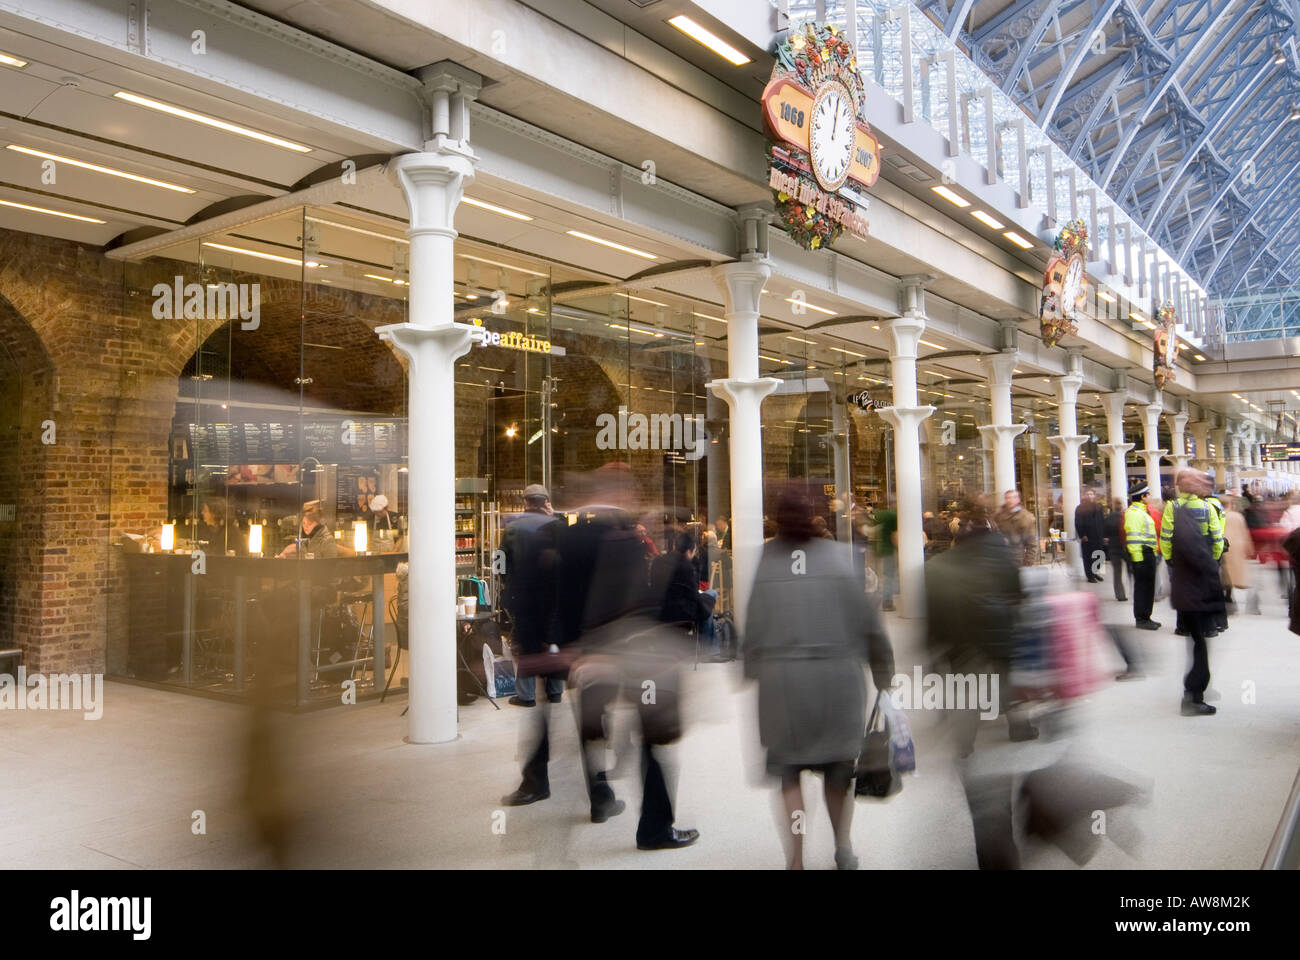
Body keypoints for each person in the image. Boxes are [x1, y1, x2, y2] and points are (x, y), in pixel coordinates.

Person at [744, 486, 894, 870]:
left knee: (790, 778)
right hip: (836, 682)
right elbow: (866, 619)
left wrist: (750, 670)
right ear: (813, 517)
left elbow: (756, 625)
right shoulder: (837, 557)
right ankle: (842, 847)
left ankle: (795, 860)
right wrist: (883, 670)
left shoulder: (766, 560)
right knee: (837, 775)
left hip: (783, 687)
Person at [1160, 469, 1225, 717]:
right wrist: (1214, 563)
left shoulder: (1172, 508)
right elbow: (1217, 538)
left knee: (1196, 640)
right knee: (1200, 642)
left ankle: (1196, 689)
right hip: (1198, 580)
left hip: (1184, 577)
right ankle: (1193, 695)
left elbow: (1165, 539)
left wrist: (1171, 563)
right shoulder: (1208, 508)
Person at [499, 484, 563, 711]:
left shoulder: (512, 527)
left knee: (526, 643)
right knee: (553, 640)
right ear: (545, 502)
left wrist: (509, 584)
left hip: (523, 596)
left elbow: (500, 561)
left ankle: (526, 695)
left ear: (525, 502)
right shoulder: (558, 526)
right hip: (553, 596)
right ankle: (555, 691)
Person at [1123, 487, 1160, 633]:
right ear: (1142, 497)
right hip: (1141, 556)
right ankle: (1141, 619)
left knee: (1148, 588)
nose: (1150, 497)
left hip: (1147, 554)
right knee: (1142, 588)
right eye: (1148, 494)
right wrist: (1138, 559)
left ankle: (1146, 617)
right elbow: (1133, 538)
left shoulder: (1142, 511)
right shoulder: (1133, 513)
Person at [994, 489, 1038, 567]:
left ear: (1018, 499)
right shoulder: (999, 515)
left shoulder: (1026, 517)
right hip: (1000, 558)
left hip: (1016, 558)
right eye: (1008, 498)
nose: (1010, 500)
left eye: (1013, 497)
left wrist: (1028, 563)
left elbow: (1032, 543)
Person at [1074, 489, 1106, 582]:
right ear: (1084, 496)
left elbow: (1102, 520)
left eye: (1091, 494)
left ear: (1094, 495)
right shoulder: (1080, 508)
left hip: (1098, 536)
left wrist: (1104, 534)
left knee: (1099, 555)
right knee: (1088, 556)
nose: (1089, 496)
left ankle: (1095, 572)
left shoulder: (1098, 507)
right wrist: (1082, 534)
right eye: (1087, 494)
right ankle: (1090, 576)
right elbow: (1078, 522)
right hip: (1087, 536)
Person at [1103, 496, 1128, 602]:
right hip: (1125, 545)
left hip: (1113, 546)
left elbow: (1105, 534)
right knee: (1131, 570)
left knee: (1117, 572)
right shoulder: (1125, 516)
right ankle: (1135, 591)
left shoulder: (1108, 517)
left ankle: (1120, 594)